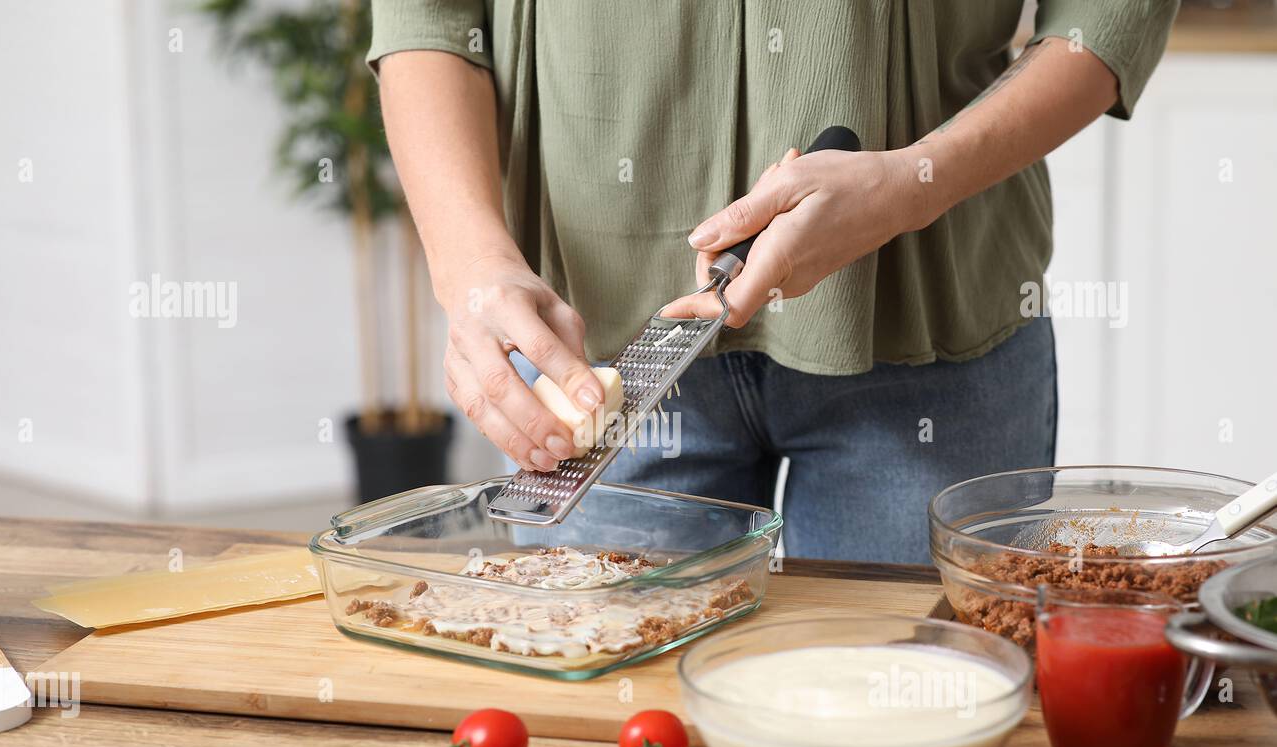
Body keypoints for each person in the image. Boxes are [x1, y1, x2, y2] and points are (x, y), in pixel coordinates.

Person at [369, 0, 1178, 563]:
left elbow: (1108, 16)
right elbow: (428, 16)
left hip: (928, 335)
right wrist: (470, 264)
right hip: (596, 350)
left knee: (903, 742)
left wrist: (912, 182)